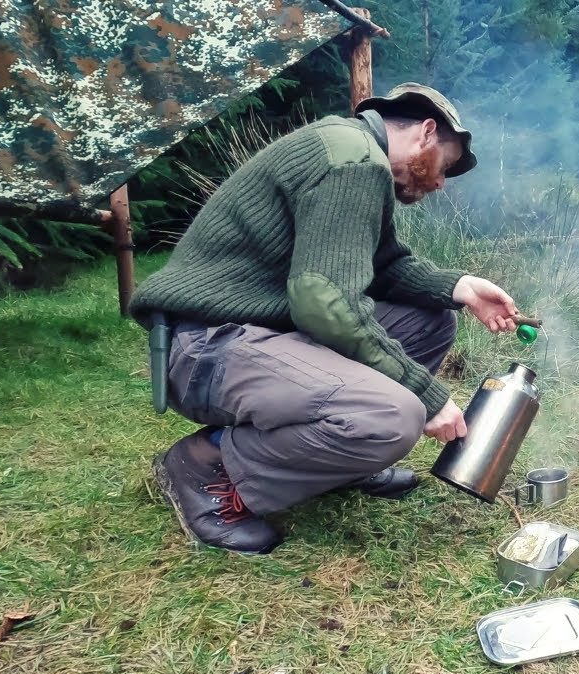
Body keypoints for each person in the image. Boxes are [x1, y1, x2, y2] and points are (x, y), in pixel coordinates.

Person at [130, 83, 519, 555]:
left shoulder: (354, 153)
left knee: (429, 321)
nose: (440, 183)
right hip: (208, 348)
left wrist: (460, 287)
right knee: (393, 416)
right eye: (445, 166)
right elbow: (325, 302)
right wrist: (426, 393)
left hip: (248, 336)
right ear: (426, 132)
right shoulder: (352, 160)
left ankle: (338, 461)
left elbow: (382, 267)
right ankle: (205, 463)